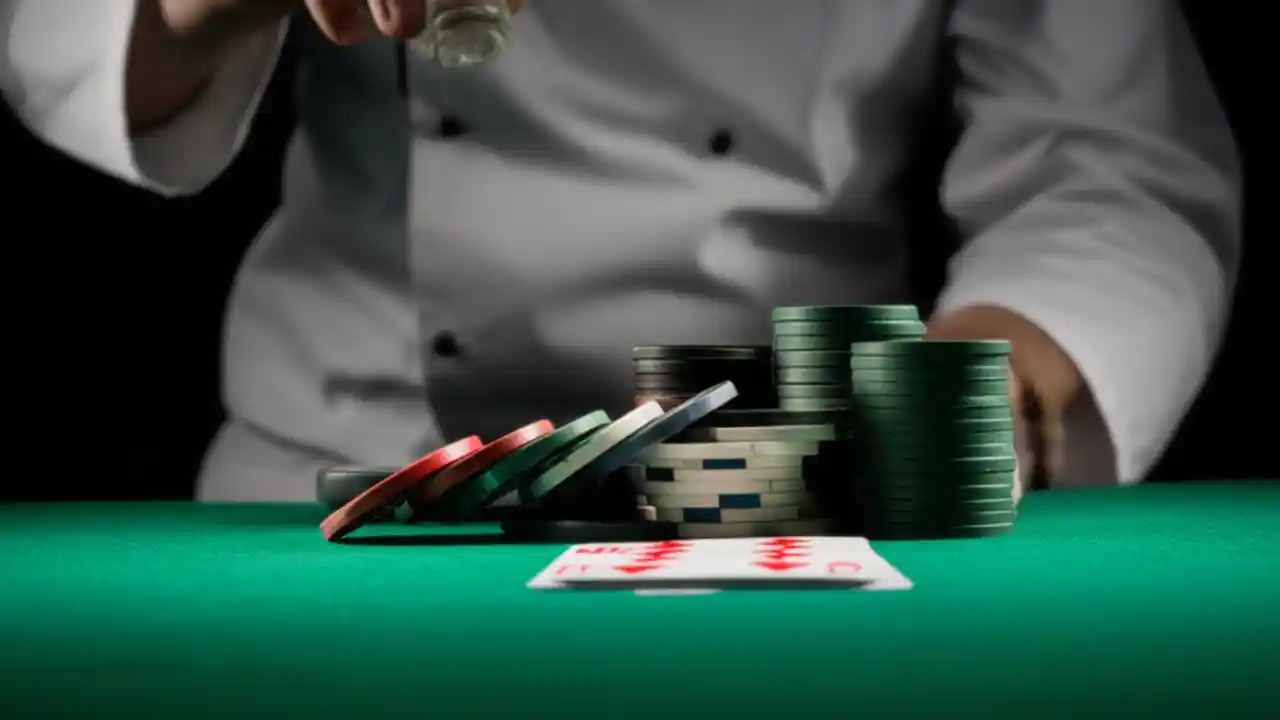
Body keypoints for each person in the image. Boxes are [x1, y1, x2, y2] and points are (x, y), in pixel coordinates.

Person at [1, 0, 1240, 503]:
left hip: (791, 495)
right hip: (340, 477)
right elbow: (59, 40)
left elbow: (1113, 166)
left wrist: (940, 407)